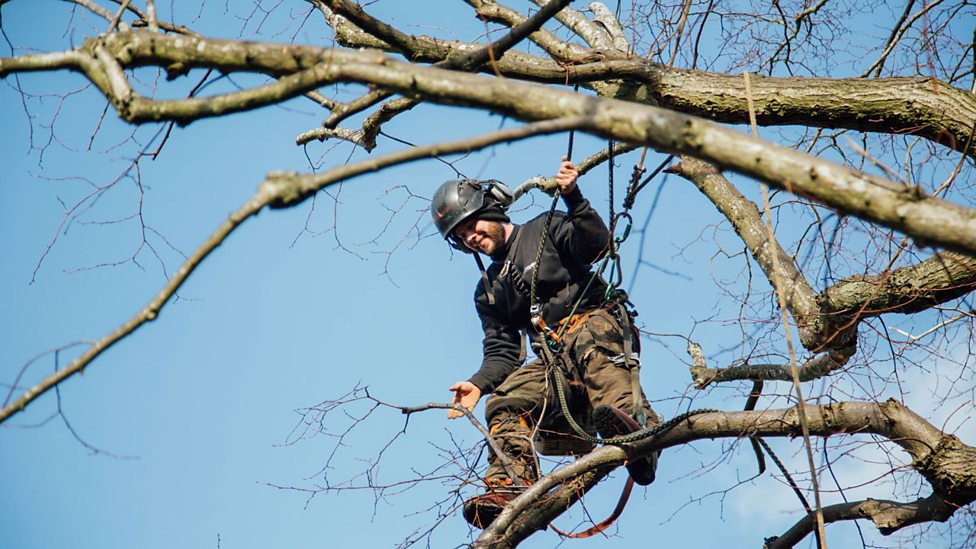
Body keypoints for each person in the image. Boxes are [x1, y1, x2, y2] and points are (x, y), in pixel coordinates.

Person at [430, 158, 660, 529]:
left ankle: (638, 436)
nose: (470, 237)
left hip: (597, 325)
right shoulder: (488, 291)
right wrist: (479, 383)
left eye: (471, 225)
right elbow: (503, 352)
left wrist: (574, 197)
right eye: (460, 236)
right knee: (505, 396)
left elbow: (596, 247)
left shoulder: (544, 228)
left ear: (490, 210)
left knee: (589, 342)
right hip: (557, 362)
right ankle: (511, 483)